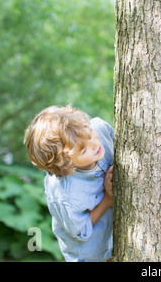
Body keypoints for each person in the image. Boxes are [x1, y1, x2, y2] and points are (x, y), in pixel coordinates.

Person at [24, 105, 114, 262]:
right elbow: (81, 231)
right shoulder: (69, 196)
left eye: (89, 133)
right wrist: (108, 197)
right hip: (90, 253)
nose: (94, 144)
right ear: (66, 165)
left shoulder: (100, 129)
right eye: (83, 151)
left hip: (112, 232)